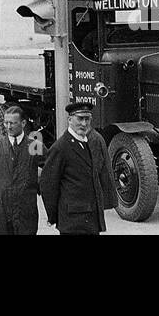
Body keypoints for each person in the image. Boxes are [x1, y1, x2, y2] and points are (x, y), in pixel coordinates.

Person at [39, 100, 117, 235]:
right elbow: (48, 185)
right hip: (72, 222)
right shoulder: (61, 147)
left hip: (90, 220)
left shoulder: (87, 142)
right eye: (80, 119)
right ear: (70, 119)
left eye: (88, 119)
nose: (84, 123)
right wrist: (56, 216)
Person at [0, 103, 41, 235]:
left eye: (13, 123)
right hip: (1, 209)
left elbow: (50, 165)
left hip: (25, 209)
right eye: (6, 123)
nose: (8, 127)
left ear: (23, 123)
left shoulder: (34, 145)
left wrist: (36, 186)